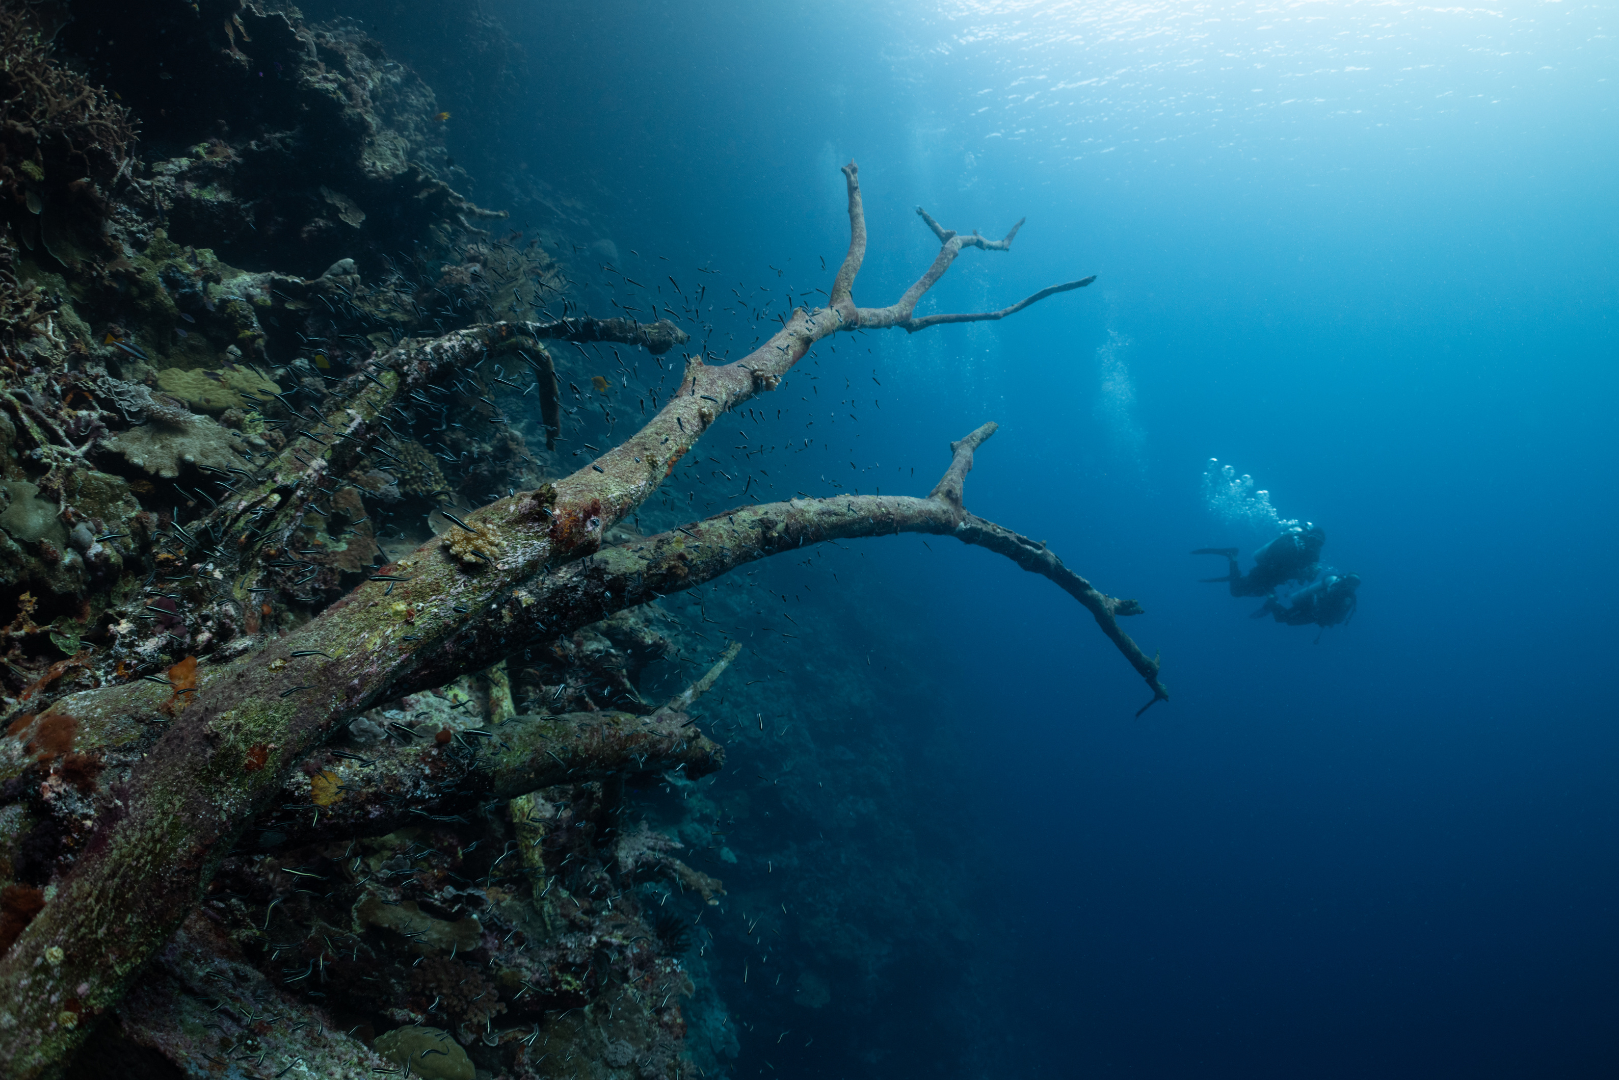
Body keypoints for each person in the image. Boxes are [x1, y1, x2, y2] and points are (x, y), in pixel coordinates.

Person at [1193, 522, 1325, 597]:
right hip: (1265, 573)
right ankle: (1232, 556)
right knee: (1237, 592)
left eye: (1319, 543)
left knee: (1256, 592)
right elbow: (1283, 567)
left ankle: (1236, 575)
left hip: (1273, 579)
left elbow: (1304, 580)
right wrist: (1302, 573)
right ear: (1309, 537)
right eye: (1314, 539)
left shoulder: (1313, 556)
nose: (1315, 544)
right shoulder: (1295, 547)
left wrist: (1311, 573)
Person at [1254, 571, 1360, 629]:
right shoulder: (1335, 587)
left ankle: (1272, 603)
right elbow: (1323, 601)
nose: (1352, 585)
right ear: (1346, 580)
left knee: (1288, 622)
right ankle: (1272, 600)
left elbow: (1341, 617)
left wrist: (1329, 620)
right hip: (1307, 606)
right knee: (1281, 618)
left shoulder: (1350, 598)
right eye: (1351, 581)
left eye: (1356, 583)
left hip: (1315, 617)